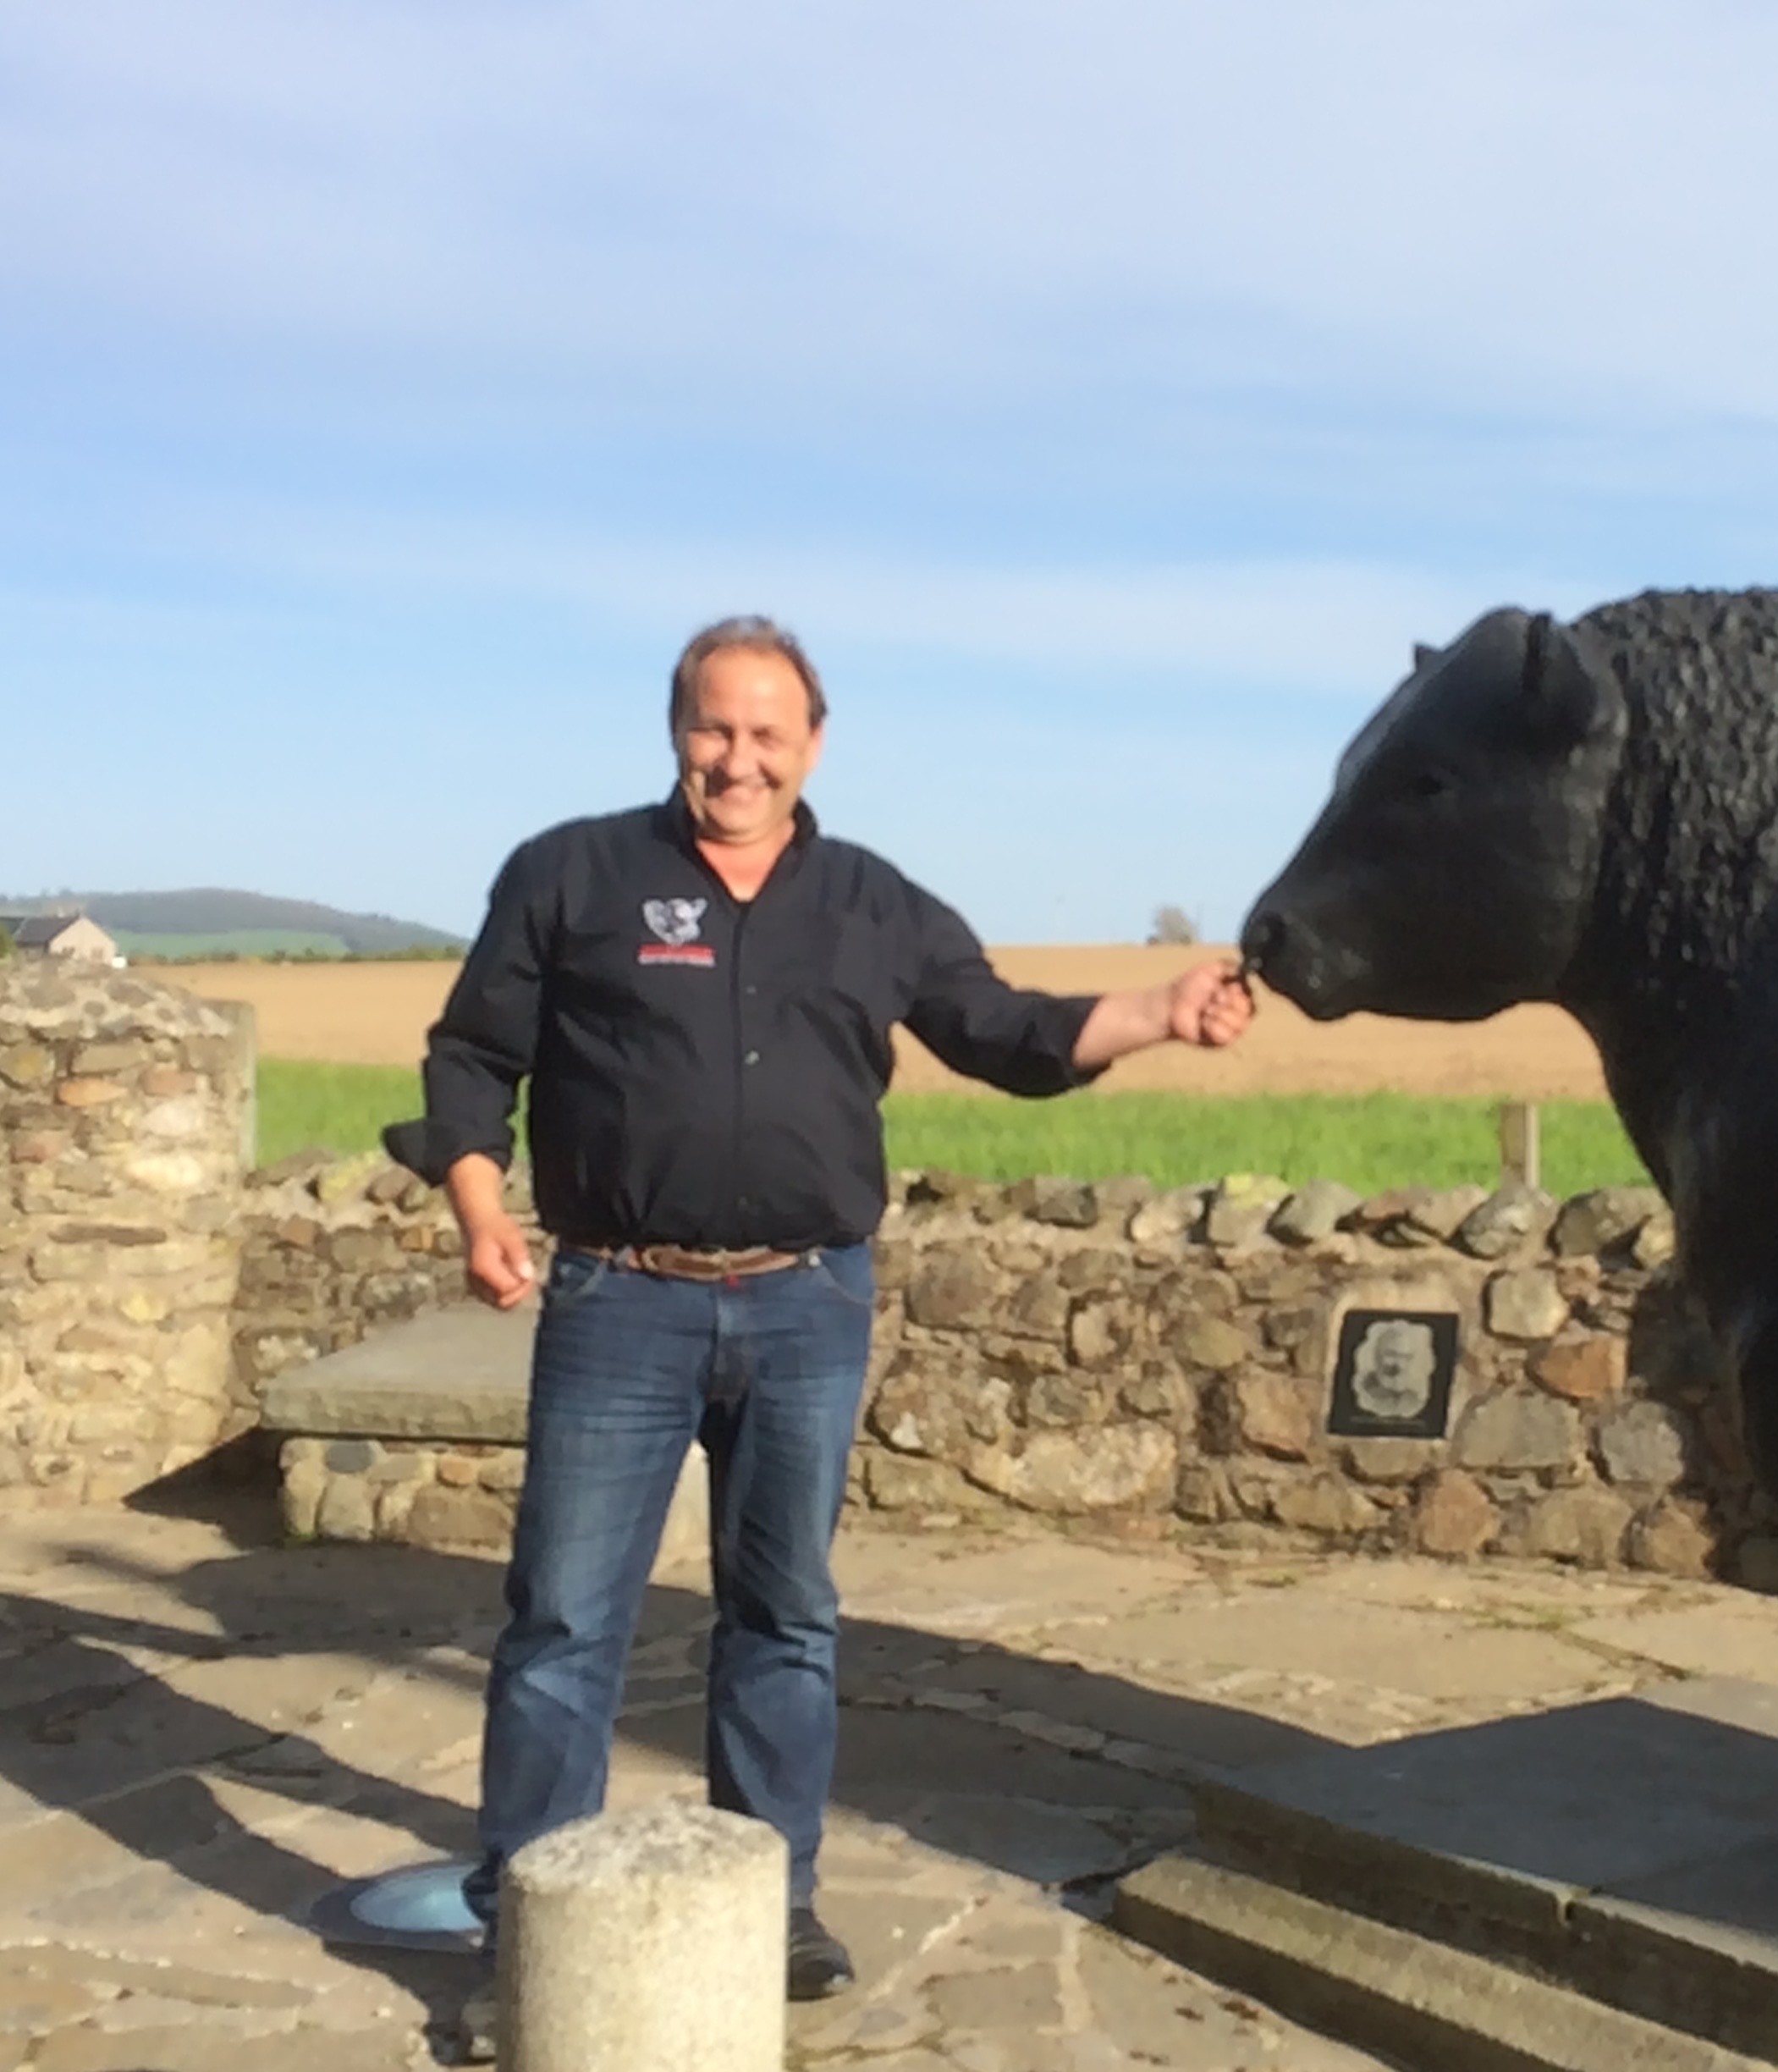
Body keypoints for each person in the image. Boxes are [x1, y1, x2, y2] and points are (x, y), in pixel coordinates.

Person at [383, 615, 1251, 2035]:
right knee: (561, 1625)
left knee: (783, 1618)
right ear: (676, 732)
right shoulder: (574, 873)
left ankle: (774, 1904)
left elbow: (1007, 1034)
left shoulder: (871, 901)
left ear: (814, 743)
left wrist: (1158, 1007)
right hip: (620, 1301)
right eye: (714, 729)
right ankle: (530, 1927)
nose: (738, 760)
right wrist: (482, 1208)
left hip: (809, 1303)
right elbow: (472, 1057)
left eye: (766, 733)